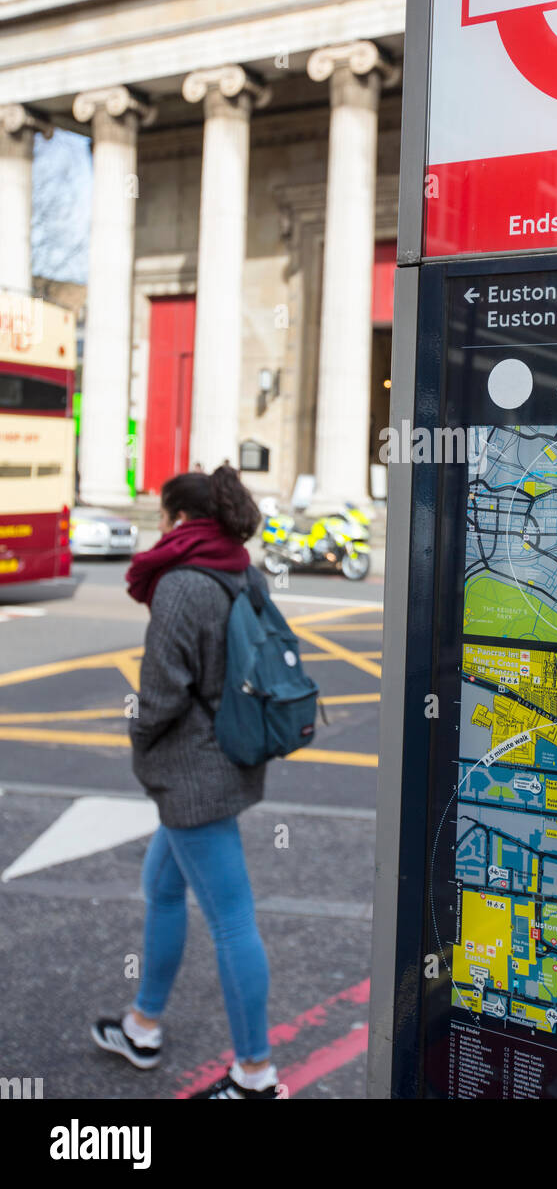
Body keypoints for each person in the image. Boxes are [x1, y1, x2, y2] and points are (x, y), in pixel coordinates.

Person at [90, 464, 281, 1099]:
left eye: (164, 514)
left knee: (232, 919)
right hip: (232, 753)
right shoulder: (239, 569)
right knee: (162, 886)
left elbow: (161, 692)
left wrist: (138, 734)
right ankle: (142, 1025)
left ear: (178, 517)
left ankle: (256, 1074)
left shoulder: (180, 584)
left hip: (194, 775)